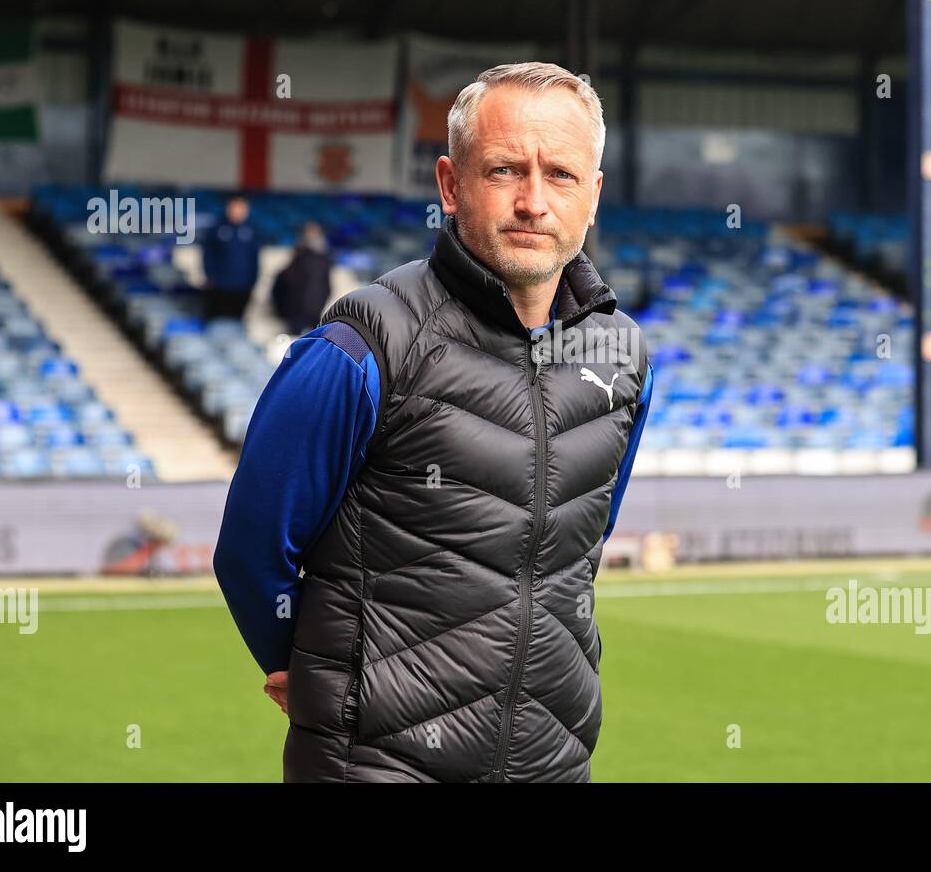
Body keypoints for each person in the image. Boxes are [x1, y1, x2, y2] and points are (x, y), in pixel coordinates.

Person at [213, 62, 654, 782]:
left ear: (595, 194)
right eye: (505, 169)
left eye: (563, 175)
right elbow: (251, 547)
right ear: (451, 185)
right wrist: (308, 670)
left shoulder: (624, 356)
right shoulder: (362, 343)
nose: (533, 201)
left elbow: (581, 541)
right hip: (375, 765)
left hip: (552, 762)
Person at [200, 195, 260, 320]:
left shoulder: (251, 230)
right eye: (236, 207)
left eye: (242, 208)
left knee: (236, 319)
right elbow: (208, 255)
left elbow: (254, 258)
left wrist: (253, 280)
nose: (239, 211)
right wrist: (211, 277)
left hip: (243, 287)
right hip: (220, 286)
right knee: (218, 320)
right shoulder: (216, 229)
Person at [271, 221, 332, 336]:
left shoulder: (324, 260)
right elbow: (283, 285)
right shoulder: (297, 257)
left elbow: (326, 286)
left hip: (314, 311)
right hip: (296, 312)